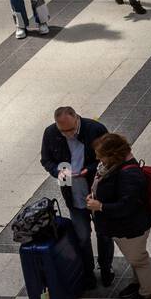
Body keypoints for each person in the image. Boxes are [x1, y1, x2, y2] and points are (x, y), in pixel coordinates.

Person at [39, 107, 113, 288]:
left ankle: (106, 269)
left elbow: (110, 157)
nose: (68, 134)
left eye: (71, 130)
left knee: (104, 234)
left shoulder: (95, 129)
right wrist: (58, 171)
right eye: (62, 131)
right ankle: (88, 273)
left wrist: (90, 169)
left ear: (77, 119)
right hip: (73, 194)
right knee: (82, 236)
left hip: (97, 192)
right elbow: (46, 159)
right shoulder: (51, 133)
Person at [85, 132, 151, 299]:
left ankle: (147, 292)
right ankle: (136, 283)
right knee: (134, 258)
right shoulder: (113, 165)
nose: (97, 158)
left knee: (138, 259)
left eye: (100, 154)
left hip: (132, 227)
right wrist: (96, 196)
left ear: (113, 154)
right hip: (122, 226)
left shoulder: (129, 174)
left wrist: (100, 206)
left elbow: (127, 206)